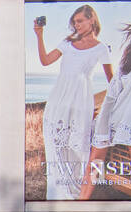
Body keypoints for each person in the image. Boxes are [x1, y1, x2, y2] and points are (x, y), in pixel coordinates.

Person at [35, 6, 114, 199]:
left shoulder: (102, 48)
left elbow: (112, 80)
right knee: (56, 145)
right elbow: (45, 61)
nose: (76, 25)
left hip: (80, 101)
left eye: (80, 21)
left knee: (77, 147)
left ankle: (77, 195)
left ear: (91, 21)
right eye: (75, 21)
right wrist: (39, 35)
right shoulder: (67, 43)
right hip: (58, 100)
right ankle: (57, 194)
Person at [80, 11, 131, 201]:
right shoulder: (130, 54)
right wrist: (103, 119)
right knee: (93, 164)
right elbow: (113, 91)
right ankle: (79, 206)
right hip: (113, 115)